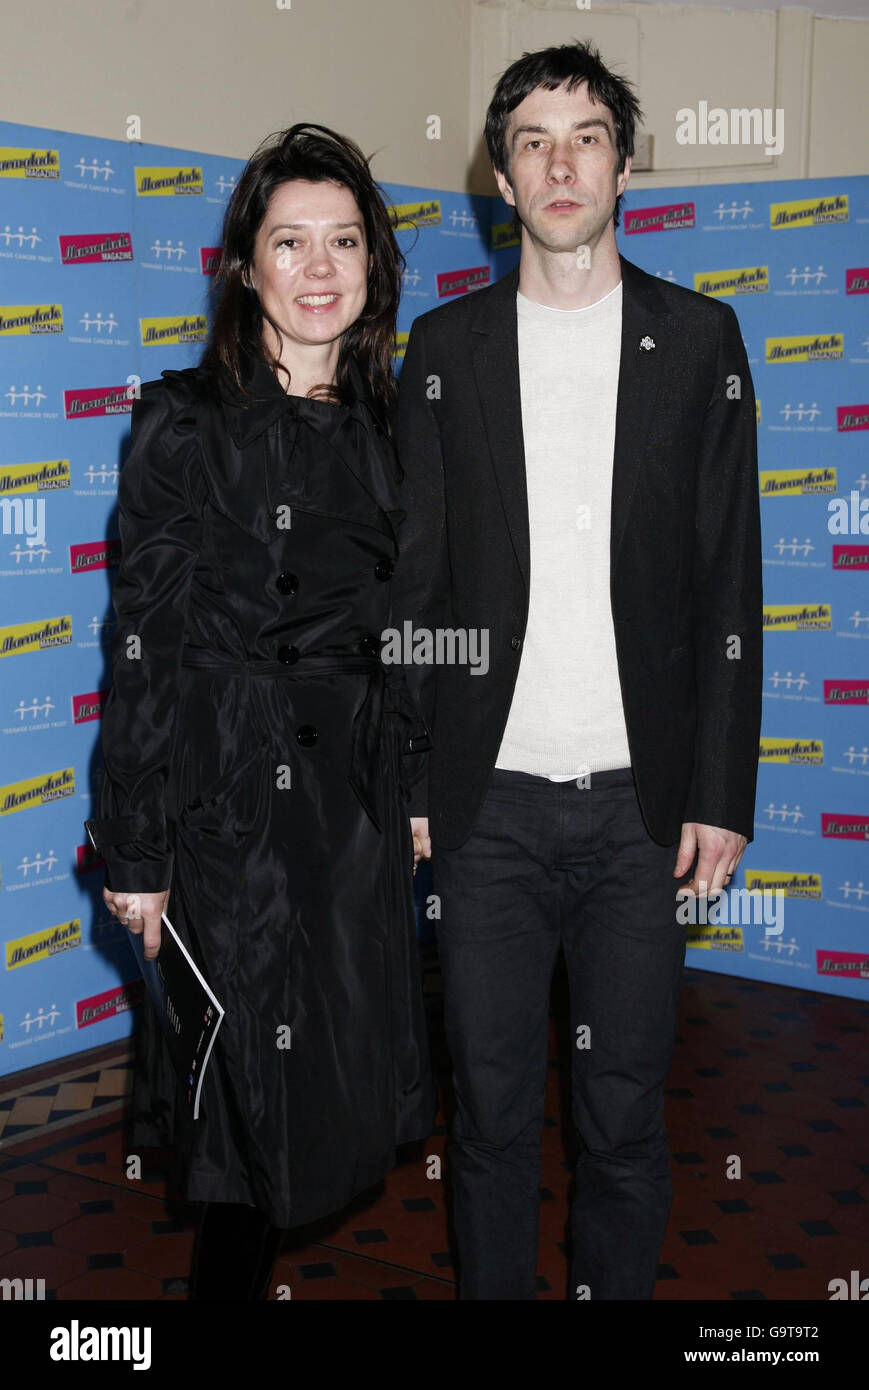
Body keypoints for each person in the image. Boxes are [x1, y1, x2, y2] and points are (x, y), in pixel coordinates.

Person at [393, 41, 763, 1299]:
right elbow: (417, 597)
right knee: (489, 1120)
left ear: (620, 168)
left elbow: (728, 590)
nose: (560, 162)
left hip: (636, 813)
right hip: (486, 806)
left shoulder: (700, 337)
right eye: (534, 142)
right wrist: (415, 775)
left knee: (620, 1116)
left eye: (587, 136)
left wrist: (719, 788)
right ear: (500, 177)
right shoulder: (440, 352)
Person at [85, 123, 436, 1301]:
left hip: (350, 816)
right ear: (246, 264)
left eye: (343, 240)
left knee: (321, 1097)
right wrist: (136, 849)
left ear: (375, 267)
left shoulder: (398, 432)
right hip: (225, 807)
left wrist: (418, 787)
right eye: (290, 240)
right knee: (238, 1122)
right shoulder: (184, 421)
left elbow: (414, 635)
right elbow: (142, 646)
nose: (319, 265)